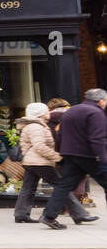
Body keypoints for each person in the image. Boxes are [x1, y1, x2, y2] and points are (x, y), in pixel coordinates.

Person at [13, 103, 94, 224]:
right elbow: (39, 146)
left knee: (28, 188)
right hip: (39, 162)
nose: (49, 113)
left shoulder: (34, 125)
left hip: (31, 161)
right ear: (39, 113)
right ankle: (79, 214)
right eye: (46, 111)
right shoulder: (36, 126)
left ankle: (21, 214)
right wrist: (57, 157)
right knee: (62, 187)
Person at [39, 89, 107, 230]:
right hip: (88, 156)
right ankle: (49, 216)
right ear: (101, 101)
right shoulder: (96, 113)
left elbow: (60, 133)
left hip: (70, 154)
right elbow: (97, 139)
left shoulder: (72, 110)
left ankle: (49, 216)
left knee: (64, 186)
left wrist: (60, 152)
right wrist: (102, 158)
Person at [47, 97, 93, 209]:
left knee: (63, 181)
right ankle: (74, 206)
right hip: (76, 151)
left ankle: (65, 207)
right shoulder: (76, 116)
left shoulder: (46, 120)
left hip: (56, 155)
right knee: (80, 178)